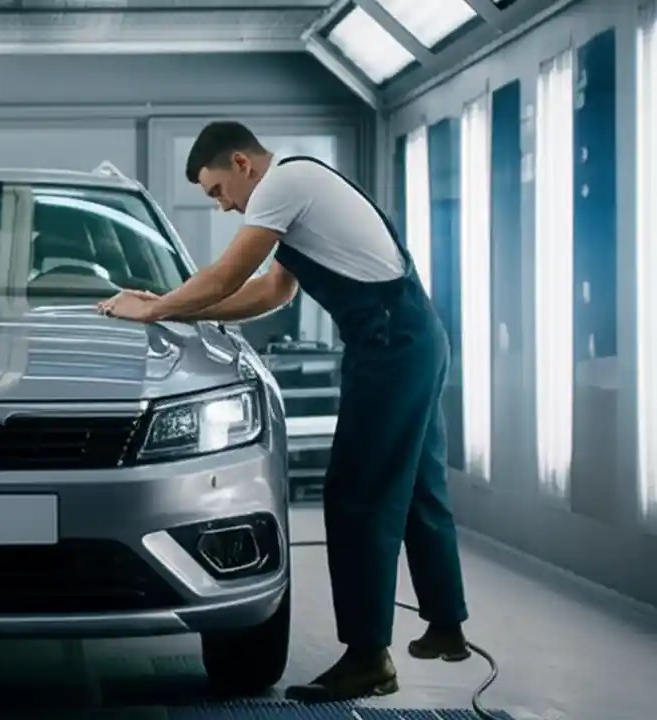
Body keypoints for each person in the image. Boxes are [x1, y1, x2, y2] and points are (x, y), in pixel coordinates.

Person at [98, 121, 470, 702]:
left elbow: (228, 274)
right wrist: (176, 311)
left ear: (242, 163)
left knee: (357, 493)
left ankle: (368, 657)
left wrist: (150, 311)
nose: (223, 206)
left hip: (390, 344)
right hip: (413, 336)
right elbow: (272, 291)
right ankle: (445, 625)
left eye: (218, 190)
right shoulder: (301, 186)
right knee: (421, 485)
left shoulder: (282, 184)